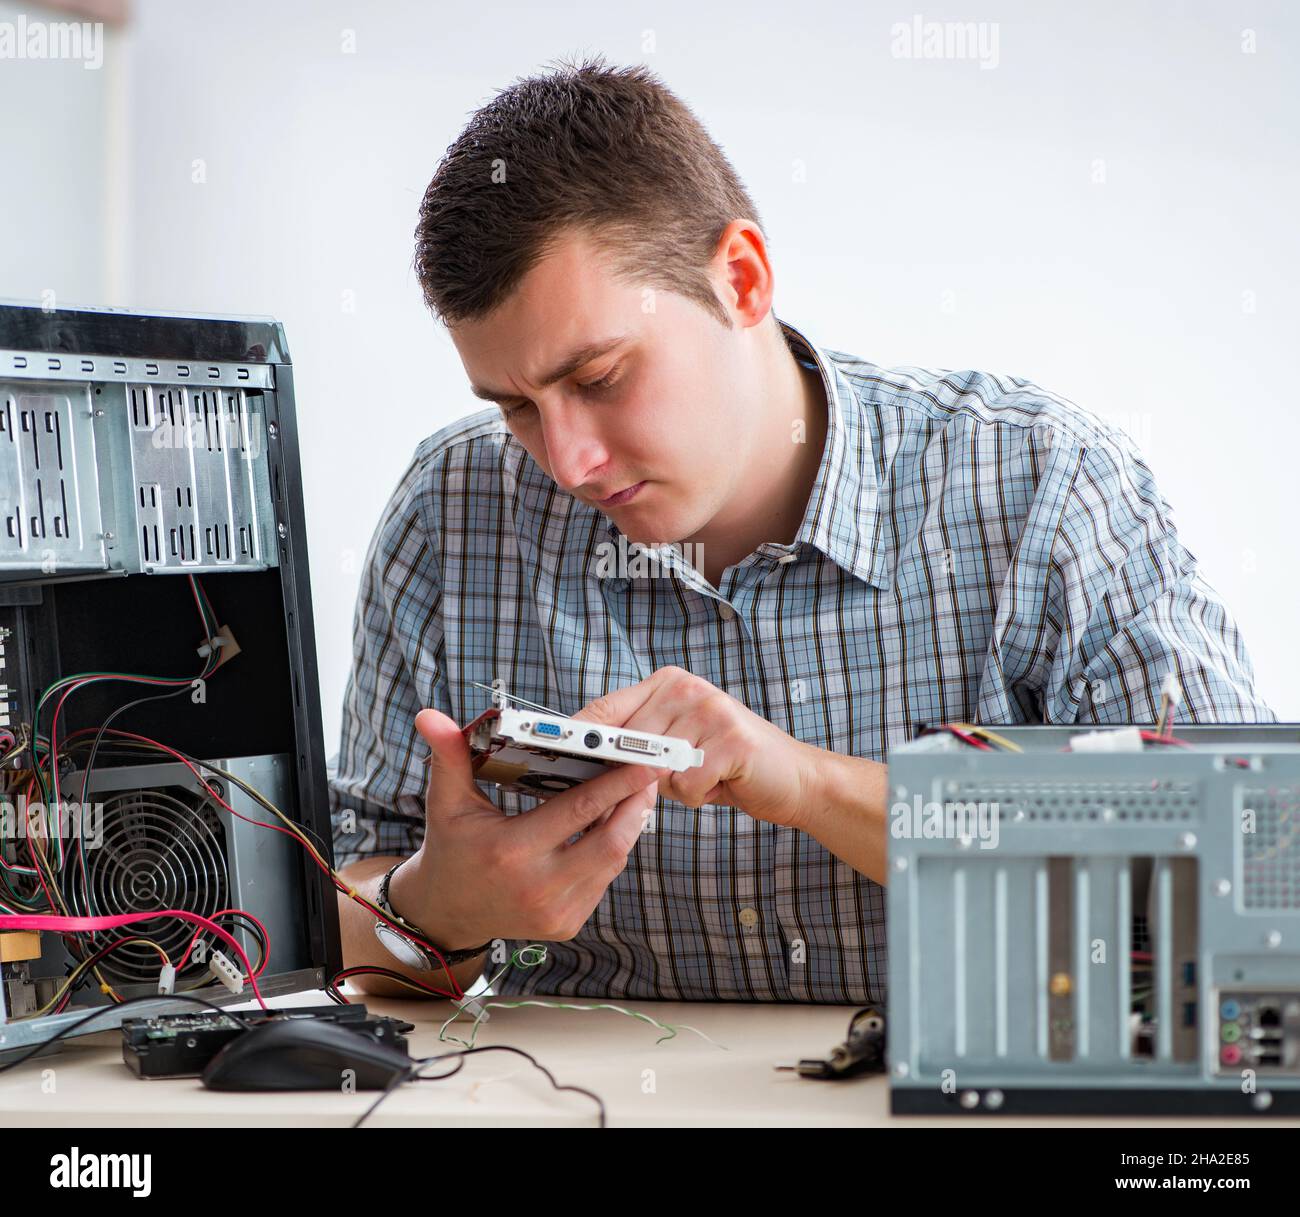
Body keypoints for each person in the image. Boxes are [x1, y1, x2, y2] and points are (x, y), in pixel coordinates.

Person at [327, 55, 1273, 1005]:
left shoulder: (1038, 483)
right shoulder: (448, 509)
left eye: (601, 378)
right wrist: (436, 907)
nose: (568, 460)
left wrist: (808, 784)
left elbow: (1240, 861)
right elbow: (326, 907)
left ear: (741, 279)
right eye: (517, 407)